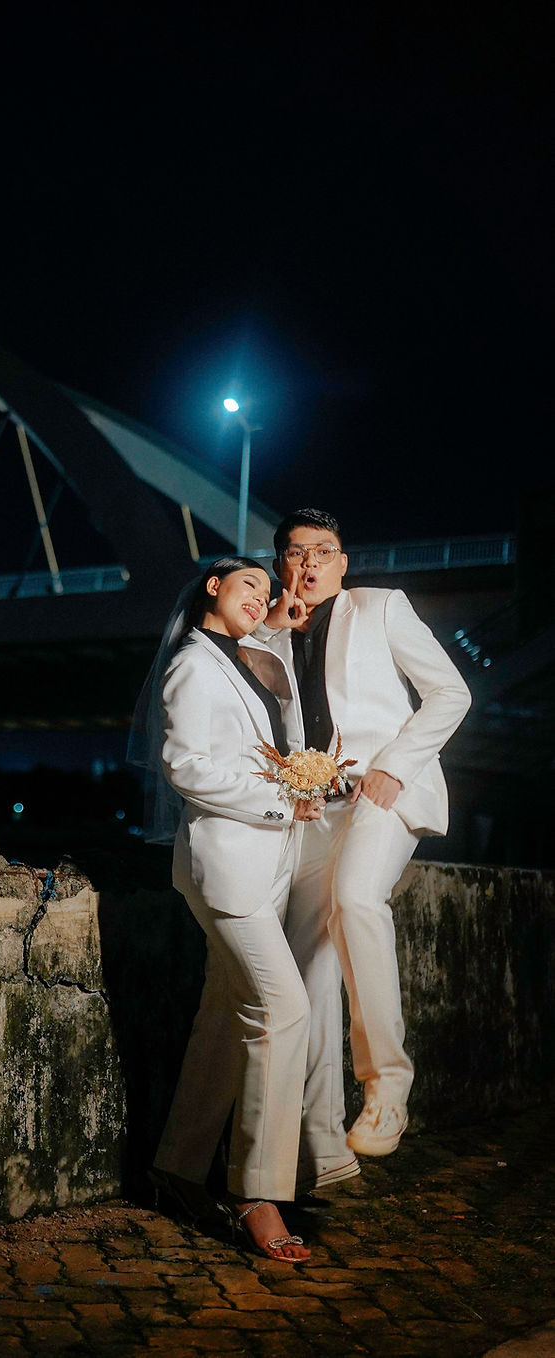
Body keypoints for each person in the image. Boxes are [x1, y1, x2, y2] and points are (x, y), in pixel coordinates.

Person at [254, 508, 471, 1185]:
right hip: (316, 812)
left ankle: (388, 1088)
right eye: (296, 553)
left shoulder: (382, 607)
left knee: (356, 900)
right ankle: (323, 1145)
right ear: (281, 564)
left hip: (384, 794)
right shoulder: (269, 638)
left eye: (324, 551)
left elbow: (450, 692)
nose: (310, 563)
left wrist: (395, 764)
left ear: (344, 562)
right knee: (302, 974)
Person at [131, 556, 321, 1262]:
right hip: (226, 870)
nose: (262, 597)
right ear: (213, 586)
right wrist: (280, 798)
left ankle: (176, 1167)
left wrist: (275, 622)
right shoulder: (191, 663)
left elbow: (268, 695)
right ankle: (256, 1192)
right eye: (250, 585)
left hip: (268, 867)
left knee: (223, 1016)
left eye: (268, 591)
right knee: (283, 1010)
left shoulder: (242, 658)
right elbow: (186, 765)